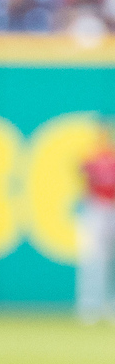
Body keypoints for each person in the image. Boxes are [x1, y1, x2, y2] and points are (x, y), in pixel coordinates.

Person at [78, 122, 115, 322]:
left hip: (112, 208)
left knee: (111, 260)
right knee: (93, 258)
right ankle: (90, 306)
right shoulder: (89, 157)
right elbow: (82, 179)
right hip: (96, 207)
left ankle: (110, 306)